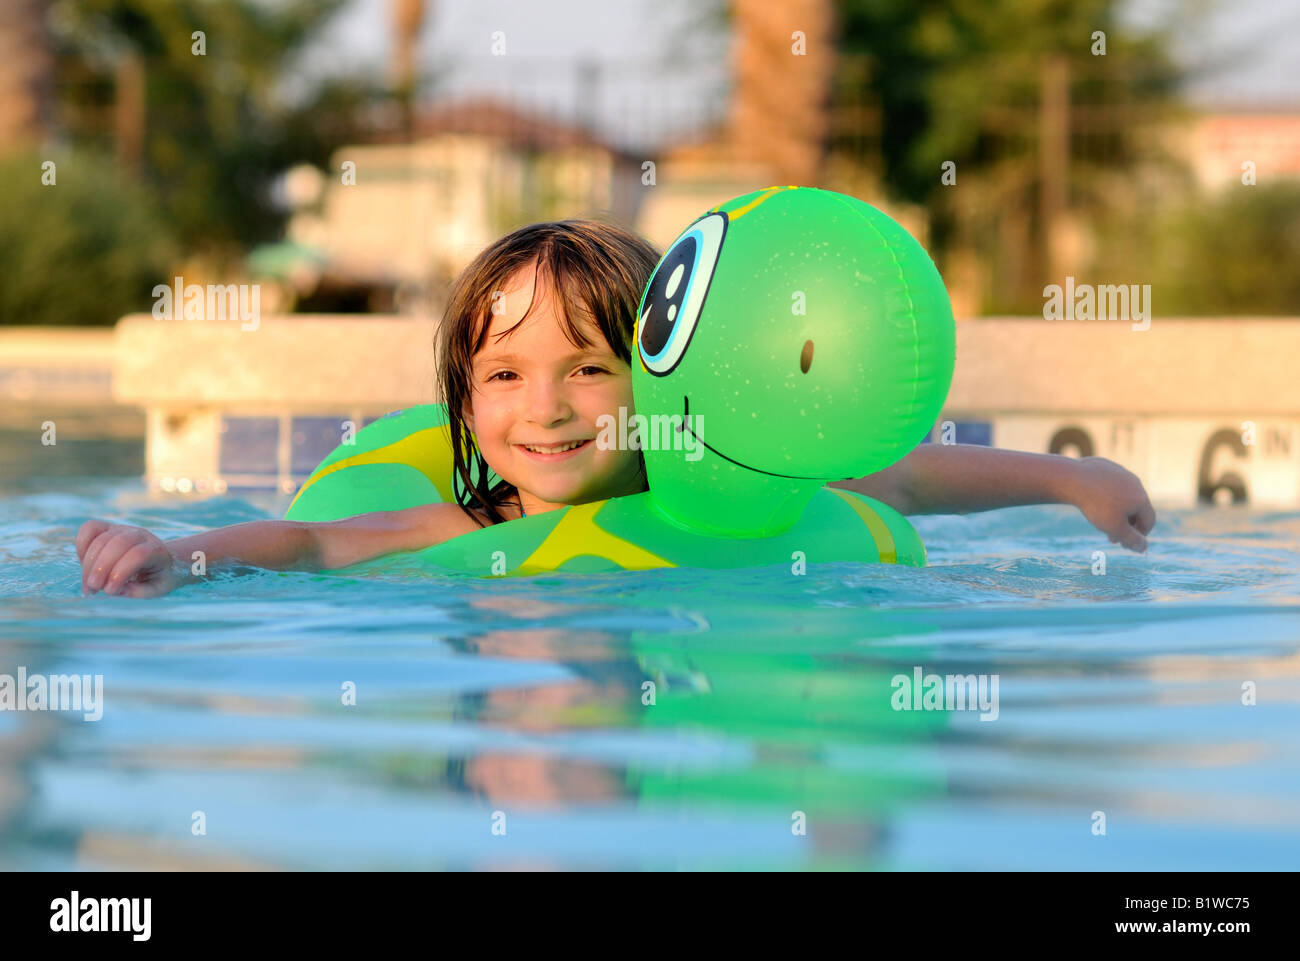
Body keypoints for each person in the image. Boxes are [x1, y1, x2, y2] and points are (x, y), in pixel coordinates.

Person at [76, 220, 1155, 598]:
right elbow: (312, 540)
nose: (544, 409)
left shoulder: (722, 482)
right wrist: (176, 555)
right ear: (463, 400)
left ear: (662, 374)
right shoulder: (470, 526)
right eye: (503, 376)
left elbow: (904, 476)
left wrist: (1074, 478)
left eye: (589, 369)